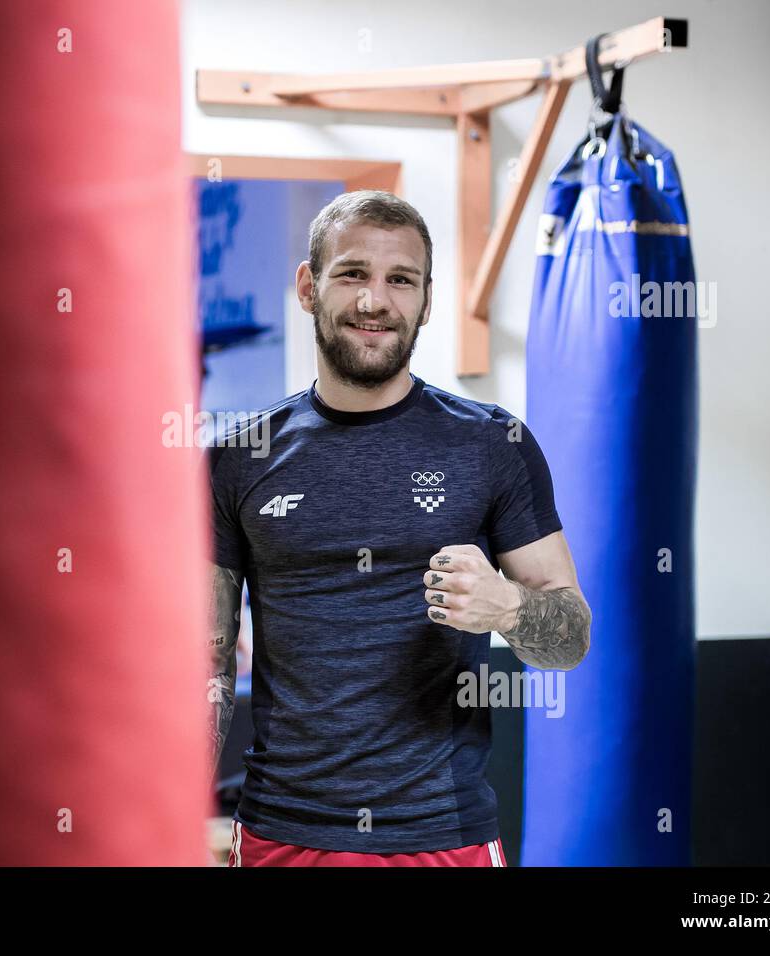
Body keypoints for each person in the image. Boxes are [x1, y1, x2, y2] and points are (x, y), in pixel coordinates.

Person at [207, 190, 591, 867]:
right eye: (353, 273)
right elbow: (200, 657)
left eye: (400, 279)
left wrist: (507, 607)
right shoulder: (242, 456)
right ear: (308, 286)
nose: (374, 301)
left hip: (444, 835)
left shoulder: (493, 444)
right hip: (282, 830)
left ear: (427, 299)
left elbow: (570, 640)